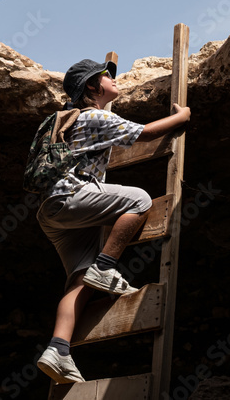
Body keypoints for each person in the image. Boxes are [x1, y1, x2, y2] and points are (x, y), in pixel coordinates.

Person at [35, 58, 191, 384]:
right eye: (107, 76)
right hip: (74, 197)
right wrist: (182, 116)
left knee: (79, 277)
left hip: (51, 210)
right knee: (140, 199)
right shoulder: (96, 116)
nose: (114, 79)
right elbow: (146, 132)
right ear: (93, 86)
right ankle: (105, 268)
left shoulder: (67, 119)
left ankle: (58, 349)